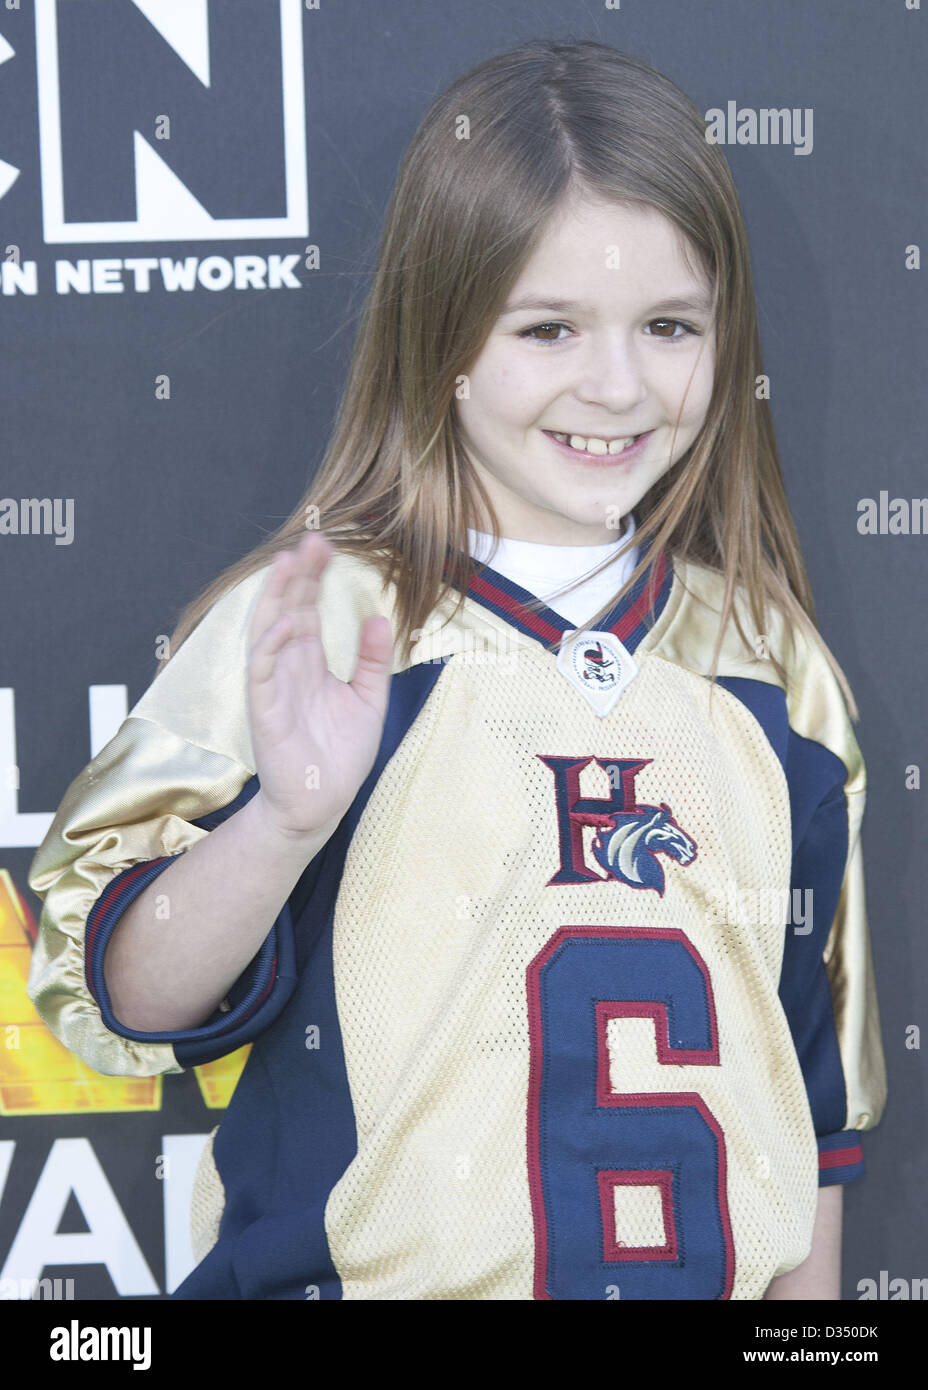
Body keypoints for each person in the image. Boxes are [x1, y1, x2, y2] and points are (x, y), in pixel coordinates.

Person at [26, 38, 886, 1301]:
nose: (616, 383)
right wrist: (282, 823)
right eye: (547, 328)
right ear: (445, 341)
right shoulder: (321, 624)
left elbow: (814, 1112)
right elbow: (125, 995)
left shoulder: (767, 666)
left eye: (667, 326)